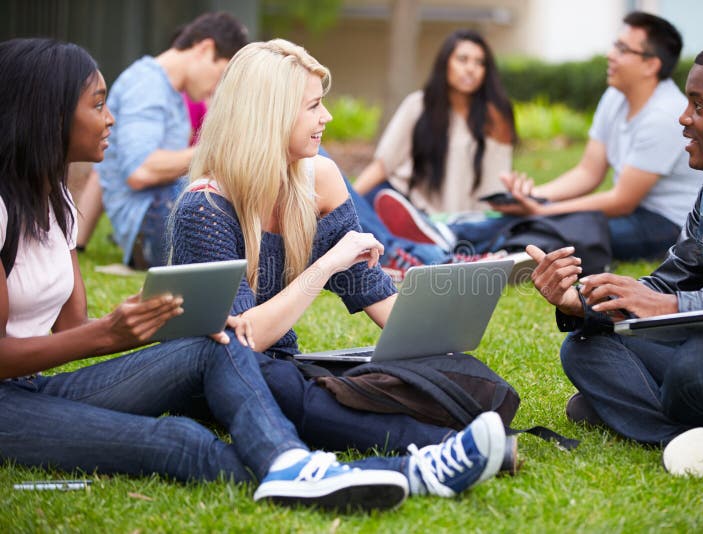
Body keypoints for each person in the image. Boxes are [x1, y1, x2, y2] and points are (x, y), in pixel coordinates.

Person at [0, 37, 506, 511]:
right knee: (193, 424)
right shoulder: (204, 208)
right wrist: (115, 332)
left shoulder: (54, 201)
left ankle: (324, 462)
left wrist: (438, 337)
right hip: (38, 396)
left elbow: (72, 330)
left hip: (56, 383)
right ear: (46, 116)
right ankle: (404, 467)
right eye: (97, 104)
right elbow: (244, 340)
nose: (111, 119)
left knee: (234, 353)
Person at [526, 40, 703, 476]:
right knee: (586, 349)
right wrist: (583, 304)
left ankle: (653, 414)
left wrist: (677, 306)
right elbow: (668, 285)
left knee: (699, 368)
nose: (683, 118)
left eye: (699, 106)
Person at [440, 12, 703, 262]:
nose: (610, 55)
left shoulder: (664, 114)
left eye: (622, 49)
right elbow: (588, 173)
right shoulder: (616, 97)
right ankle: (449, 233)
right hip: (634, 210)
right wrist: (533, 197)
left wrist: (542, 211)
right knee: (542, 219)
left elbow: (622, 201)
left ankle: (458, 242)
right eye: (615, 45)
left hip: (666, 224)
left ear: (651, 65)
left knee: (556, 228)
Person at [97, 12, 248, 270]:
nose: (217, 87)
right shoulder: (147, 83)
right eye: (221, 74)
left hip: (160, 215)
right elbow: (139, 169)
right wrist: (220, 151)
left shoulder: (172, 90)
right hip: (149, 224)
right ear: (205, 49)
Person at [353, 28, 516, 214]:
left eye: (480, 63)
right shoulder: (418, 105)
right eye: (462, 59)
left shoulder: (495, 116)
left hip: (462, 222)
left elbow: (496, 181)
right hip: (406, 205)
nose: (471, 69)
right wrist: (345, 204)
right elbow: (383, 166)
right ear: (445, 63)